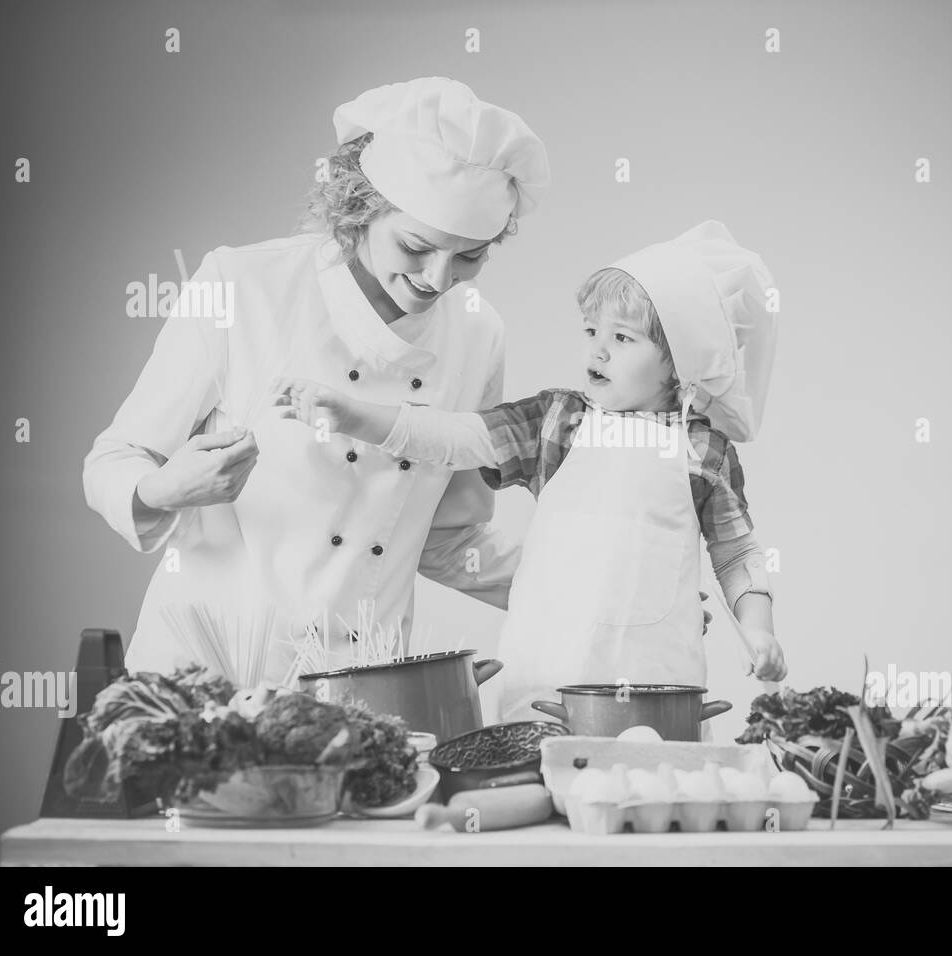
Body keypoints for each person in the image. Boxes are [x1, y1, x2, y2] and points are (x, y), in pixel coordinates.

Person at [82, 78, 550, 679]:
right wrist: (166, 489)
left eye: (470, 255)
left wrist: (595, 598)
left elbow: (448, 537)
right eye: (415, 246)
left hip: (365, 684)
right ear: (359, 211)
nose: (438, 278)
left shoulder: (478, 334)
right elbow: (113, 459)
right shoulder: (245, 286)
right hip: (212, 677)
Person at [274, 221, 786, 720]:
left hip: (657, 679)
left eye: (624, 338)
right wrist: (353, 416)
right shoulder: (559, 420)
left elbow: (736, 551)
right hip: (546, 669)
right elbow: (457, 436)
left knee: (643, 788)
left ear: (679, 362)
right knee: (540, 782)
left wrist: (758, 630)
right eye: (592, 330)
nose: (598, 349)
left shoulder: (703, 449)